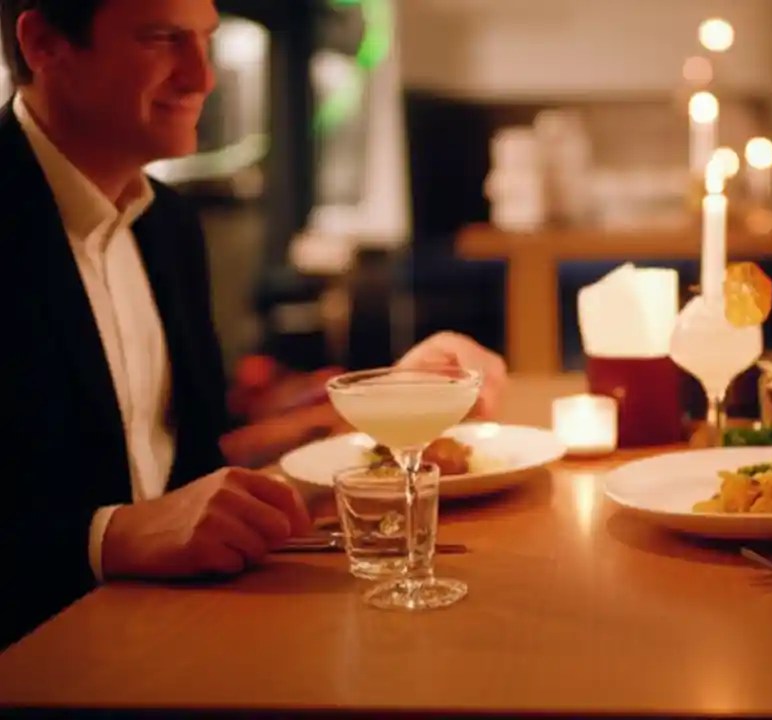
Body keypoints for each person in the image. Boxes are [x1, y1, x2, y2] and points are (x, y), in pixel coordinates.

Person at [0, 0, 506, 648]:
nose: (202, 77)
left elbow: (202, 453)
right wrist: (109, 537)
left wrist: (389, 400)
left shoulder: (167, 224)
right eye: (161, 39)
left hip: (180, 627)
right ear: (45, 43)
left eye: (205, 41)